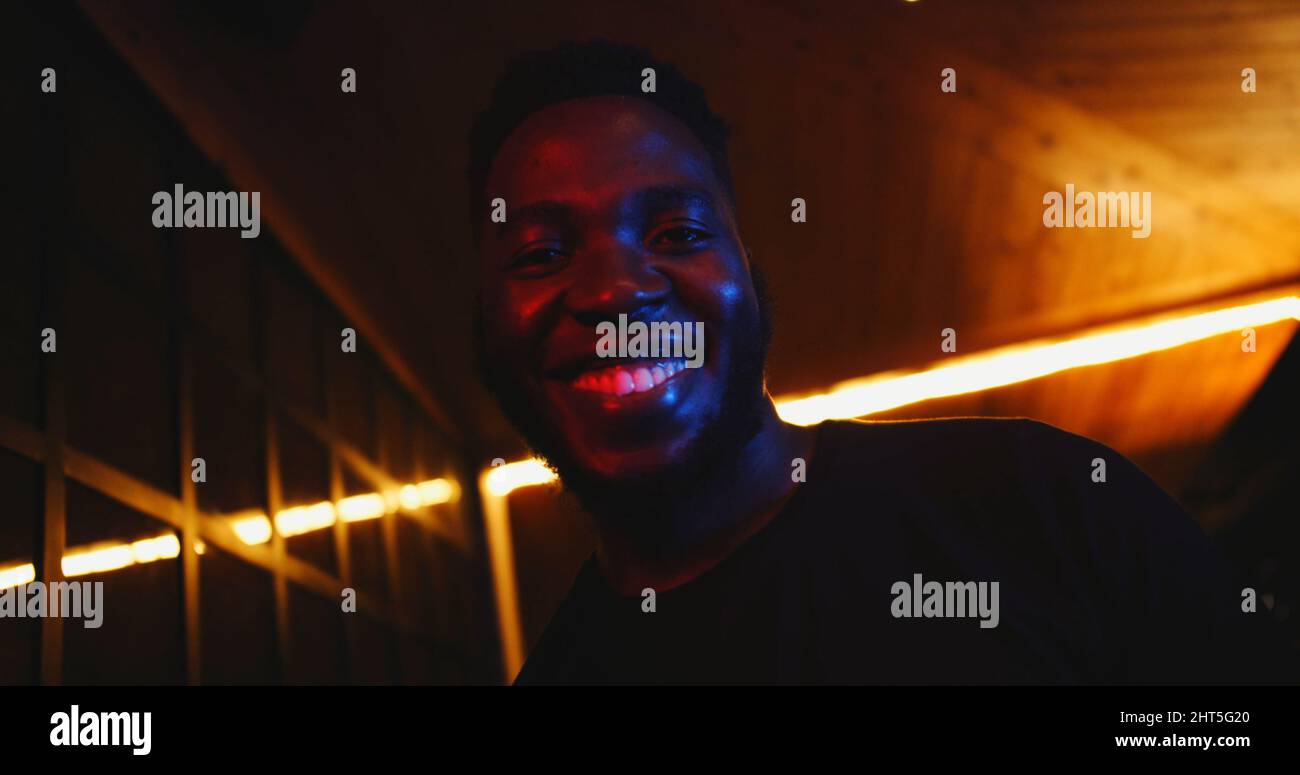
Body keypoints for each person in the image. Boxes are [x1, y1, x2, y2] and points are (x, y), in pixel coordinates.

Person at [470, 41, 1293, 684]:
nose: (615, 290)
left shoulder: (1041, 498)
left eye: (677, 233)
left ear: (748, 274)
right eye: (541, 253)